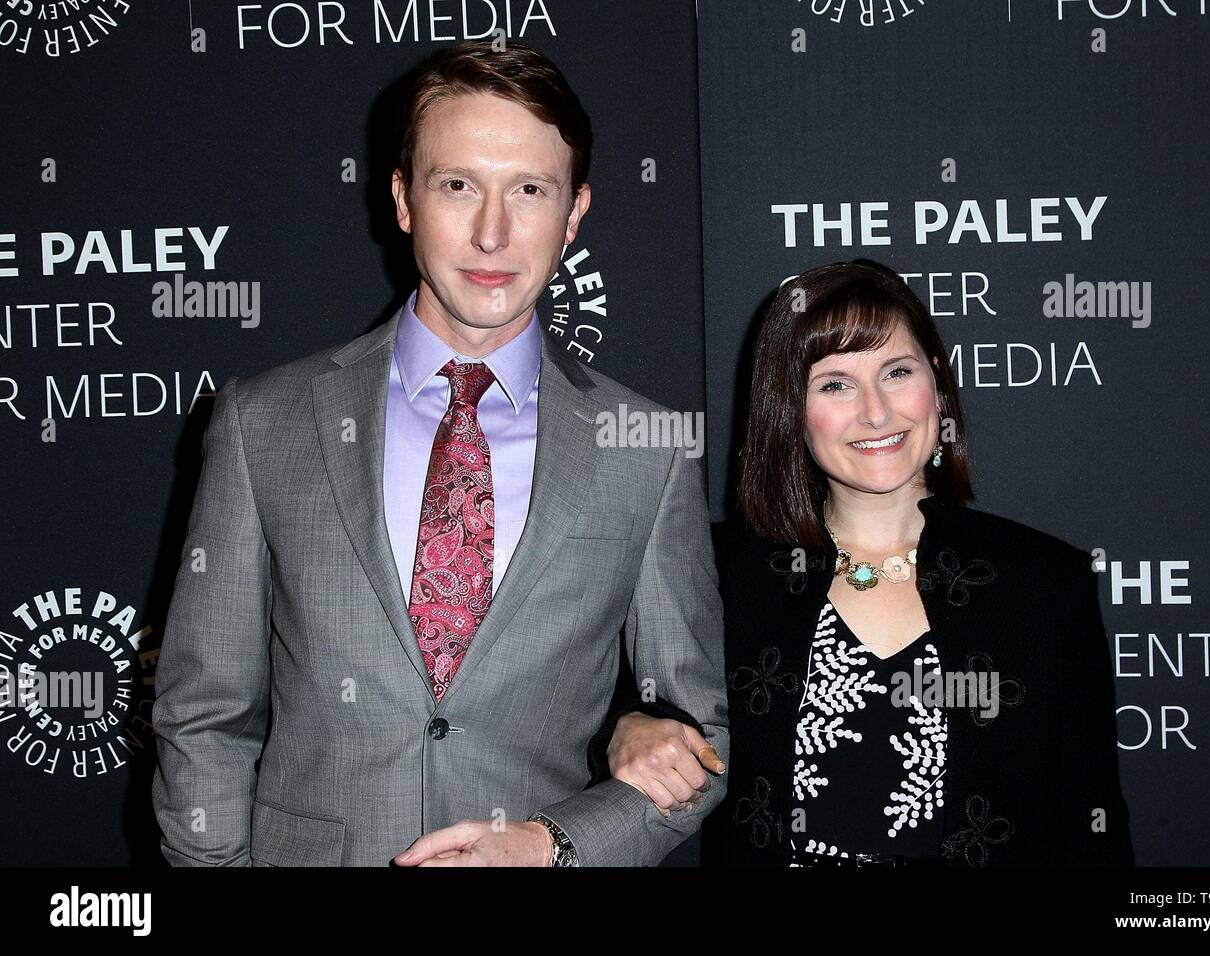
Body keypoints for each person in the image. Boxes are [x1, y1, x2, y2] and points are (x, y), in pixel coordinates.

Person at [151, 40, 728, 868]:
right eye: (458, 184)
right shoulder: (263, 422)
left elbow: (695, 744)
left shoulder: (648, 451)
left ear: (574, 213)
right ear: (403, 200)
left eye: (528, 190)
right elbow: (204, 712)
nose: (492, 232)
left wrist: (552, 847)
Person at [598, 259, 1134, 866]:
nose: (876, 412)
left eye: (897, 372)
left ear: (935, 381)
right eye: (835, 384)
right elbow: (602, 709)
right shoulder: (718, 572)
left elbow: (1094, 829)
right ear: (790, 412)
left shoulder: (1044, 582)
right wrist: (627, 726)